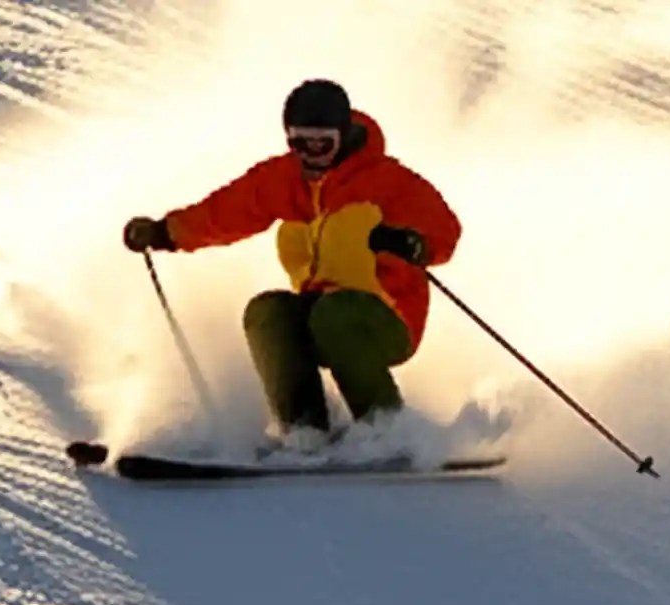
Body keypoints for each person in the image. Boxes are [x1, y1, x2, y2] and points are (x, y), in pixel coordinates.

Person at [123, 79, 462, 450]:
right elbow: (225, 213)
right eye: (302, 143)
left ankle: (387, 428)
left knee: (335, 313)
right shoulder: (283, 180)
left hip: (386, 315)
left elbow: (444, 231)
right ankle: (305, 430)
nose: (313, 153)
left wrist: (412, 243)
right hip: (322, 315)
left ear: (343, 135)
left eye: (324, 142)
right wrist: (165, 233)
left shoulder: (386, 180)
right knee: (269, 311)